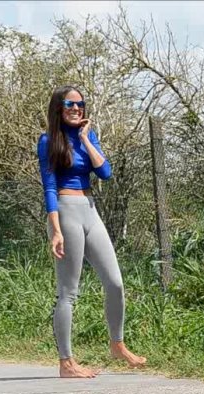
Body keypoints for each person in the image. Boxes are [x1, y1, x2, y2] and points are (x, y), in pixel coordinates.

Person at [37, 85, 147, 378]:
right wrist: (56, 230)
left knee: (115, 283)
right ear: (58, 108)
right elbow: (49, 187)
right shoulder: (48, 141)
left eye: (80, 104)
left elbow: (105, 173)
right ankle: (66, 363)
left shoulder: (88, 136)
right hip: (66, 211)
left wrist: (86, 138)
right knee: (68, 292)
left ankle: (117, 345)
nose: (76, 109)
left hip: (90, 209)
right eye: (69, 104)